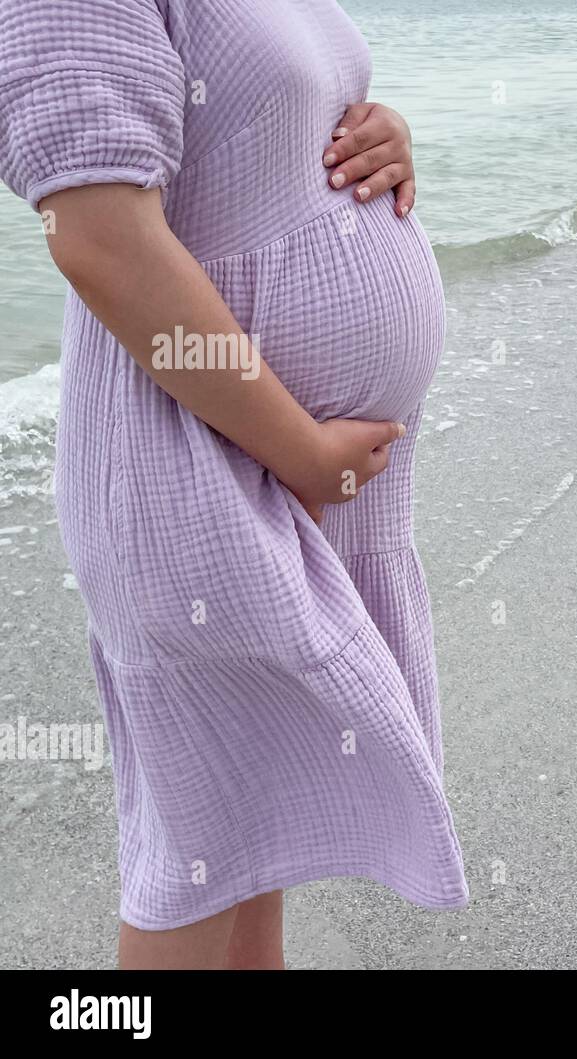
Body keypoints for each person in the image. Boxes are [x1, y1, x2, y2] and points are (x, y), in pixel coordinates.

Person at [0, 0, 468, 969]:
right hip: (195, 467)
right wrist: (300, 451)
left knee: (249, 850)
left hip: (282, 471)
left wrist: (381, 141)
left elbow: (267, 126)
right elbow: (99, 238)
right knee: (197, 869)